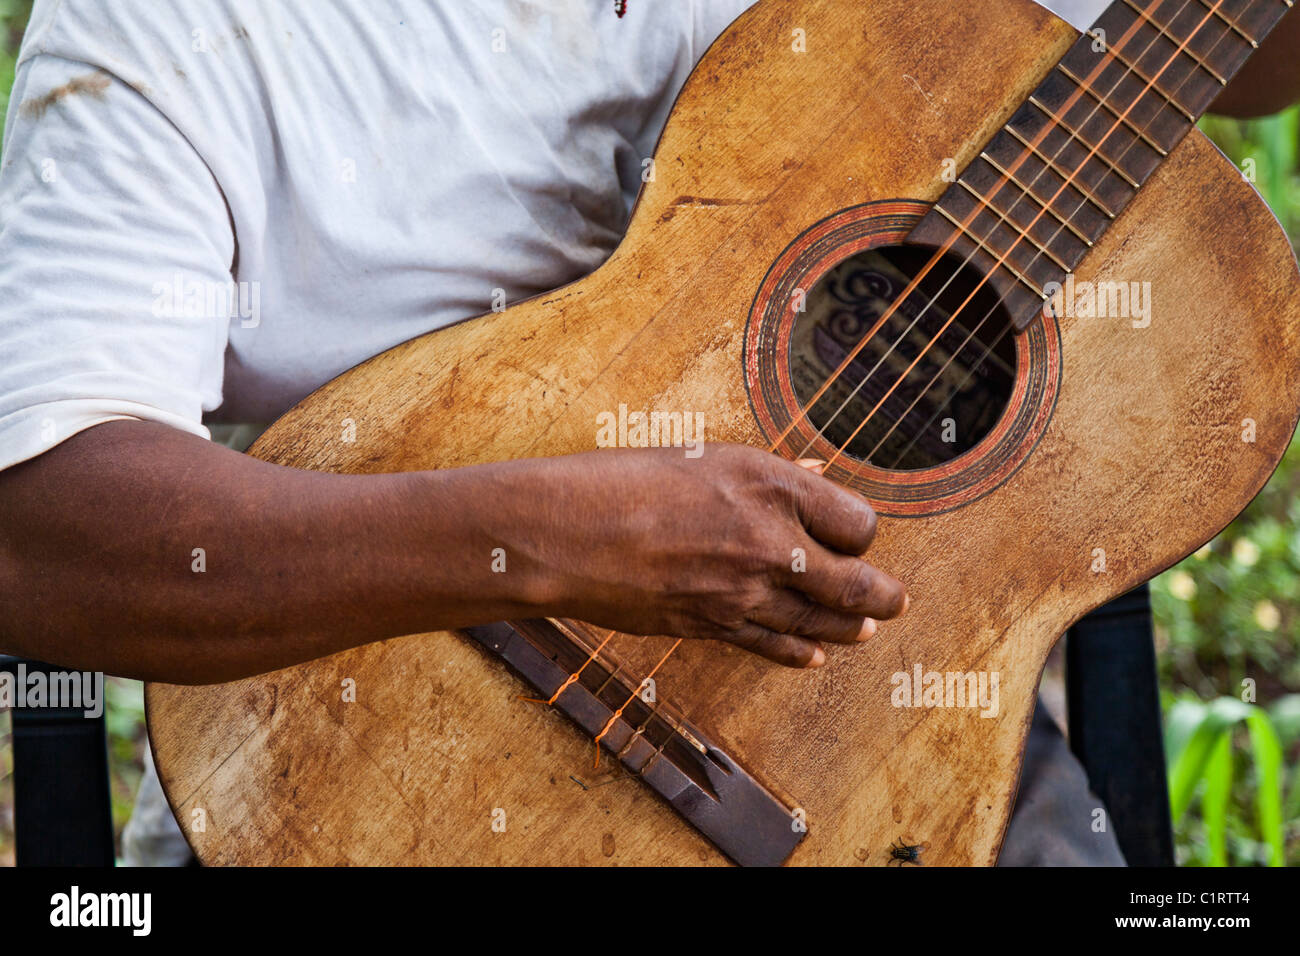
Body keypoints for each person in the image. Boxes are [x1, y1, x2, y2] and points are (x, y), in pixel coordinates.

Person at [0, 0, 1296, 866]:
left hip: (867, 737)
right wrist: (545, 545)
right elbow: (44, 540)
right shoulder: (164, 29)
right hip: (376, 741)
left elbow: (1246, 52)